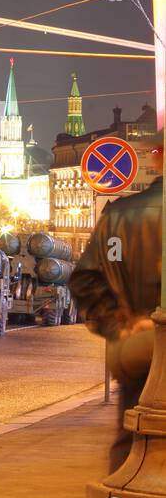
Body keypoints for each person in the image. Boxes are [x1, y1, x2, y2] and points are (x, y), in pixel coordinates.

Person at [71, 145, 163, 472]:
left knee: (132, 448)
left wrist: (120, 328)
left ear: (157, 158)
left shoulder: (122, 214)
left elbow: (84, 281)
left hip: (140, 357)